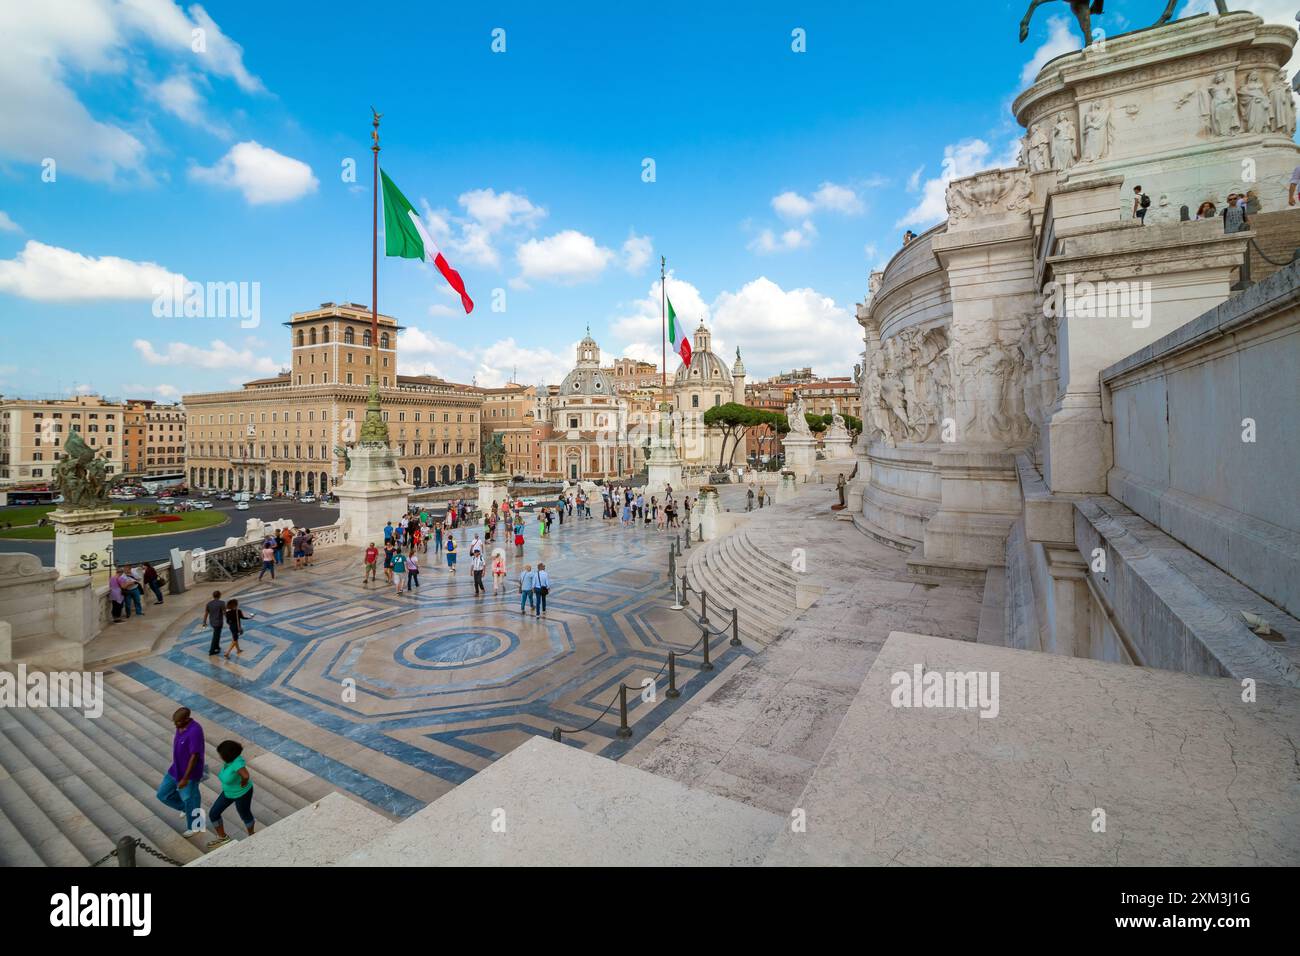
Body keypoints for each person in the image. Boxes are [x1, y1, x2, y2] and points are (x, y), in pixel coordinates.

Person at [157, 707, 204, 835]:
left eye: (178, 722)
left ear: (187, 719)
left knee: (190, 797)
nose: (175, 724)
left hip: (189, 774)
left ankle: (196, 826)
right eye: (174, 721)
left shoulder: (195, 731)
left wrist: (185, 778)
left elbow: (194, 756)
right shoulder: (180, 727)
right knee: (162, 794)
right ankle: (185, 808)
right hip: (175, 769)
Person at [206, 739, 255, 850]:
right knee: (214, 813)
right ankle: (223, 837)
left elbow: (246, 775)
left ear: (227, 755)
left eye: (221, 754)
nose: (219, 756)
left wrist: (244, 781)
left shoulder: (237, 763)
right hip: (228, 793)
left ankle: (252, 835)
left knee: (244, 815)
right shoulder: (230, 761)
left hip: (242, 794)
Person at [204, 590, 226, 656]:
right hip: (219, 622)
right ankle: (212, 650)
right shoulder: (222, 603)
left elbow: (206, 613)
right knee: (216, 636)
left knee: (217, 634)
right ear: (219, 595)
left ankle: (217, 646)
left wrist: (204, 622)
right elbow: (224, 612)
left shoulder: (209, 603)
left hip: (212, 622)